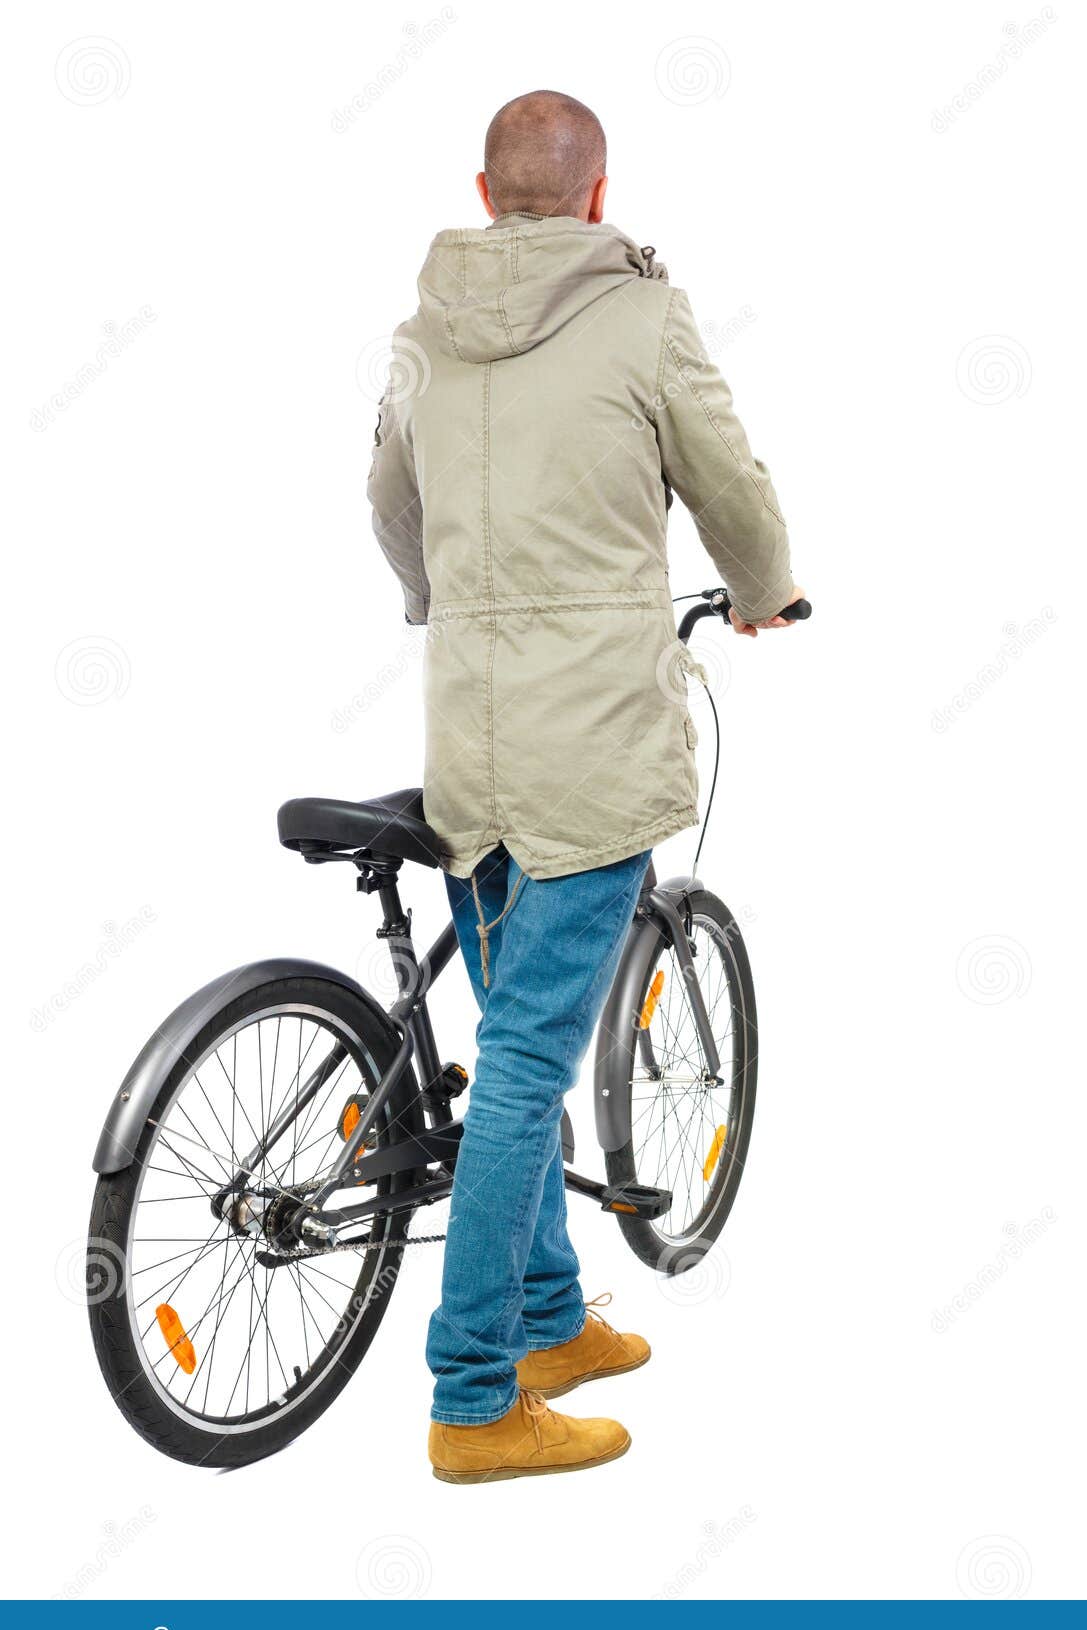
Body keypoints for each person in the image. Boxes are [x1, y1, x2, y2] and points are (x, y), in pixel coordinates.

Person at [368, 89, 801, 1483]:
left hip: (471, 753)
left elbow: (390, 503)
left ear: (484, 192)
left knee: (511, 1043)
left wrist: (449, 599)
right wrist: (766, 593)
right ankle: (474, 1396)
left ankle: (550, 1316)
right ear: (597, 198)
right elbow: (725, 477)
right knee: (523, 1068)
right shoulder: (641, 315)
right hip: (591, 747)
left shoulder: (424, 331)